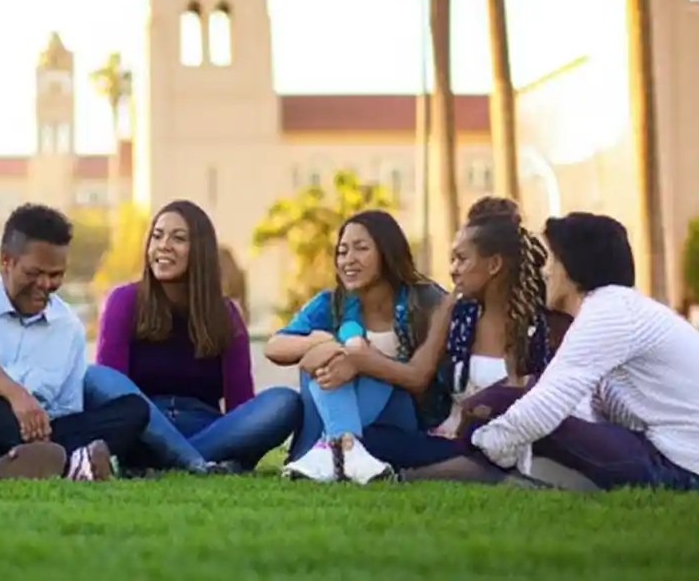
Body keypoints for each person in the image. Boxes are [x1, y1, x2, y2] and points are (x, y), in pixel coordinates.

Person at [327, 197, 568, 484]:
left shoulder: (537, 327)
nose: (453, 269)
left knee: (489, 449)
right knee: (372, 438)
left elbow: (535, 399)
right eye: (452, 259)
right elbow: (418, 375)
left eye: (461, 259)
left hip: (514, 439)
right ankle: (464, 470)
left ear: (493, 265)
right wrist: (362, 358)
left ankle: (449, 472)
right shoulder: (455, 315)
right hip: (455, 440)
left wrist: (480, 408)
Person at [0, 203, 149, 480]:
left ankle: (37, 462)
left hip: (34, 435)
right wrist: (16, 395)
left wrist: (40, 426)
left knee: (134, 410)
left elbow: (66, 412)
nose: (45, 284)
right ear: (6, 261)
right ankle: (70, 463)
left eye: (55, 275)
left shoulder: (68, 327)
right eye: (34, 273)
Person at [470, 212, 699, 491]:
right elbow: (578, 407)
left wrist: (484, 443)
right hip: (666, 453)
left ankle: (466, 463)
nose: (545, 272)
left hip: (681, 466)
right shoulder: (615, 308)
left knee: (515, 408)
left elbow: (546, 405)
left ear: (574, 266)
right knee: (506, 399)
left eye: (553, 261)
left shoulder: (611, 310)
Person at [86, 200, 301, 473]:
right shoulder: (124, 300)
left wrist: (245, 437)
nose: (163, 246)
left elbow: (241, 405)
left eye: (178, 238)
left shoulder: (225, 313)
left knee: (284, 401)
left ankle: (174, 463)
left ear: (200, 251)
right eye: (157, 236)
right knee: (98, 377)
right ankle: (196, 463)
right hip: (146, 427)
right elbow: (112, 390)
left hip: (207, 427)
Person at [265, 210, 448, 484]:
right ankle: (347, 448)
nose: (349, 260)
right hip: (341, 406)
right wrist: (327, 344)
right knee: (326, 358)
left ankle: (328, 448)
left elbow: (418, 379)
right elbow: (275, 347)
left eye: (361, 248)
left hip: (397, 419)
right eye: (342, 252)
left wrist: (361, 360)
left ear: (387, 251)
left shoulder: (424, 300)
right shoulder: (332, 302)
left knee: (352, 362)